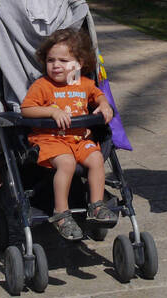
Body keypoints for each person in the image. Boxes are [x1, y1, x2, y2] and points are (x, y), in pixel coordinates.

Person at [20, 27, 117, 240]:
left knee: (97, 158)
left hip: (79, 138)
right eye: (51, 60)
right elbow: (26, 109)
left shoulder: (83, 83)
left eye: (63, 61)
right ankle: (61, 213)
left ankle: (97, 205)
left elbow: (98, 95)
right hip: (51, 140)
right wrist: (51, 111)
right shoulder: (42, 85)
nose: (56, 65)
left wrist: (104, 105)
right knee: (67, 164)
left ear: (79, 63)